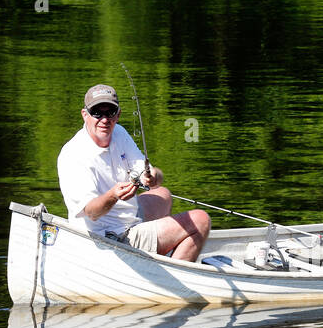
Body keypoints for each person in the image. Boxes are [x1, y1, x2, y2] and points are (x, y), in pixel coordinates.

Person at [57, 84, 211, 261]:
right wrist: (113, 195)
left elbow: (152, 175)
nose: (105, 119)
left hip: (127, 220)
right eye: (97, 112)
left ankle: (155, 254)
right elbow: (91, 212)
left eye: (110, 112)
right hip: (105, 237)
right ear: (85, 115)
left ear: (118, 114)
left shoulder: (119, 133)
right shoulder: (74, 154)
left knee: (163, 194)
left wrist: (152, 177)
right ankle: (169, 278)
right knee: (201, 220)